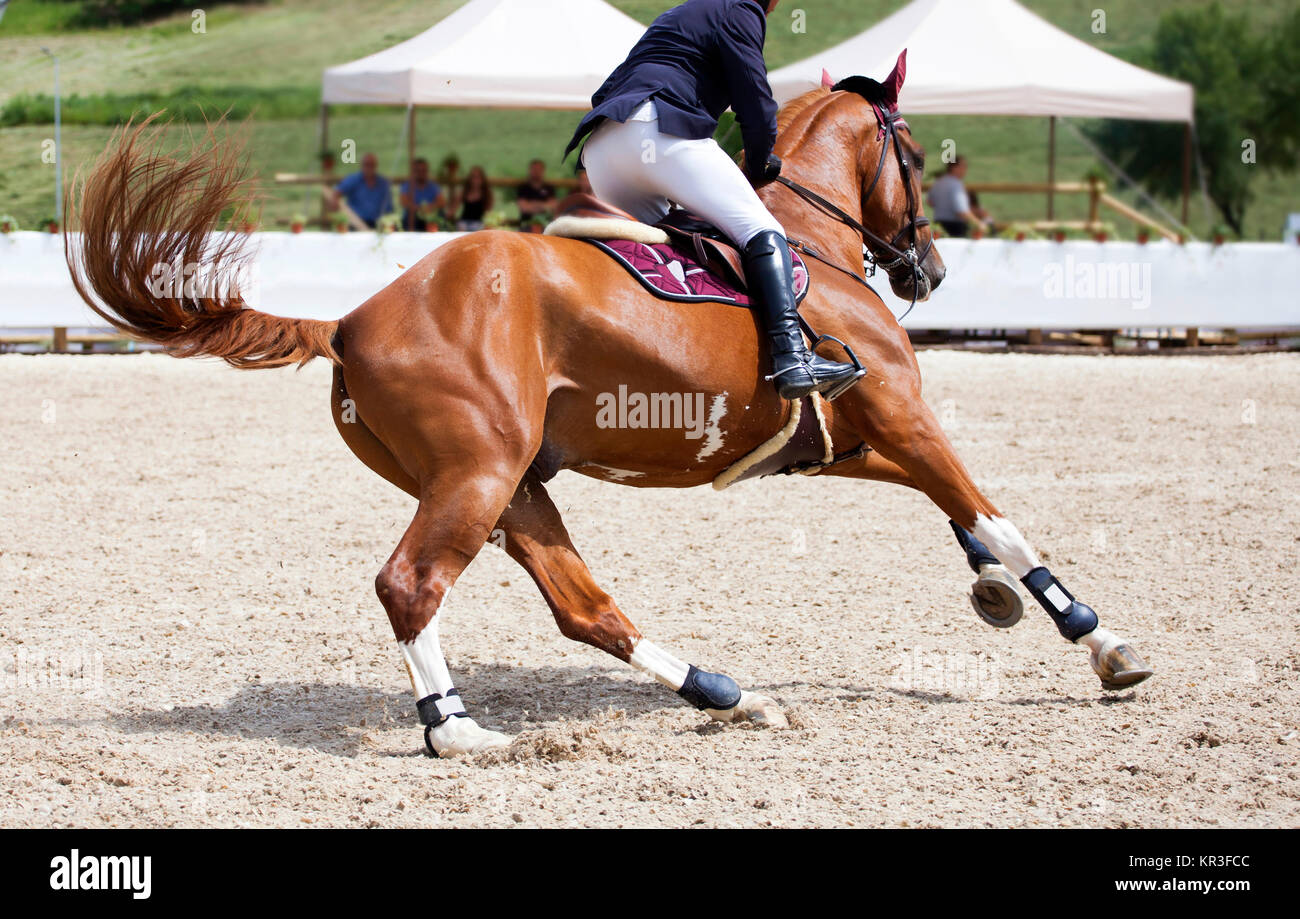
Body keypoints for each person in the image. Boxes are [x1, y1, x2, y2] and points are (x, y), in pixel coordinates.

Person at [564, 0, 860, 401]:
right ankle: (793, 357)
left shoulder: (680, 13)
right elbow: (755, 99)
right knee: (762, 227)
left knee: (664, 250)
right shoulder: (740, 8)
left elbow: (614, 86)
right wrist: (758, 162)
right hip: (658, 131)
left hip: (602, 146)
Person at [927, 156, 989, 238]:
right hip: (955, 227)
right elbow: (961, 211)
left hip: (938, 225)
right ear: (954, 168)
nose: (965, 170)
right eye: (963, 166)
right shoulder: (956, 185)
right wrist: (978, 224)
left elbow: (930, 202)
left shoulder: (938, 182)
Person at [330, 152, 392, 229]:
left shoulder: (383, 183)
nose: (369, 168)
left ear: (376, 166)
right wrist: (335, 202)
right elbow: (337, 192)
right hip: (356, 224)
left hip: (377, 224)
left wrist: (388, 221)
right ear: (361, 165)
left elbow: (389, 208)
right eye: (367, 165)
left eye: (372, 165)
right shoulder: (354, 180)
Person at [399, 157, 445, 231]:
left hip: (429, 218)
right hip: (413, 219)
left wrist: (430, 207)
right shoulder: (408, 185)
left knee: (439, 216)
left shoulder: (432, 186)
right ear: (414, 172)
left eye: (423, 171)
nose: (421, 173)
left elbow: (442, 202)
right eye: (418, 171)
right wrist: (418, 209)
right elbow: (404, 202)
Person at [515, 159, 557, 229]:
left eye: (539, 169)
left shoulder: (549, 188)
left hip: (545, 224)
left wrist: (533, 205)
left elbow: (553, 206)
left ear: (543, 171)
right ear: (530, 170)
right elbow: (524, 208)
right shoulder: (523, 187)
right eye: (534, 169)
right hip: (527, 224)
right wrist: (543, 206)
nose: (536, 172)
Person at [454, 166, 493, 231]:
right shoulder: (464, 192)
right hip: (464, 223)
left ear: (482, 179)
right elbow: (453, 208)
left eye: (477, 177)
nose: (475, 180)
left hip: (478, 224)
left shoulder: (486, 194)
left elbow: (488, 214)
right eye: (473, 177)